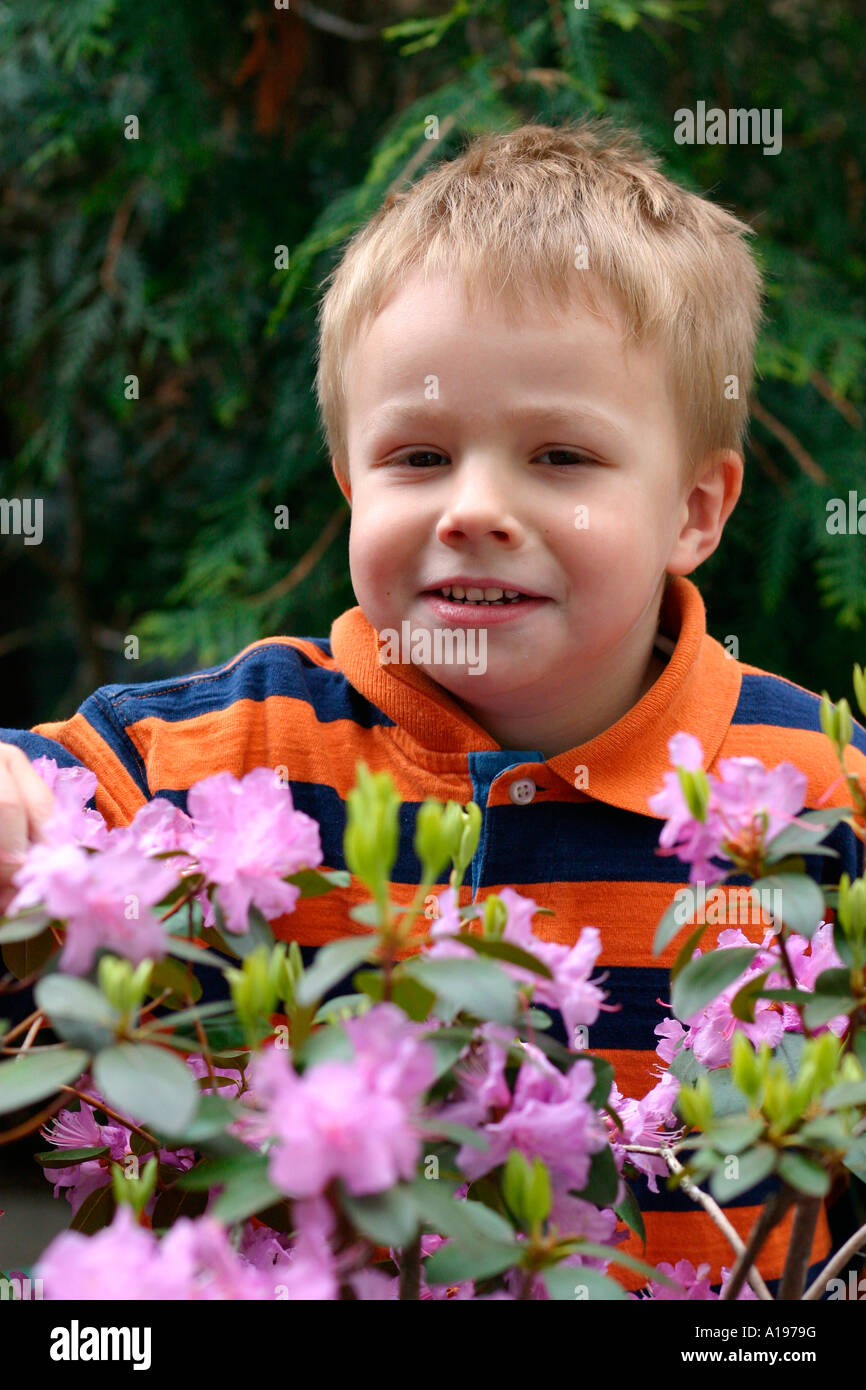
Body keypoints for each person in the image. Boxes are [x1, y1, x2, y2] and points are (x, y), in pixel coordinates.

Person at [2, 120, 865, 1294]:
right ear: (351, 485)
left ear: (692, 511)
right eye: (416, 457)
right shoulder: (225, 751)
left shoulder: (816, 788)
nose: (473, 508)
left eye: (558, 456)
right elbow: (37, 814)